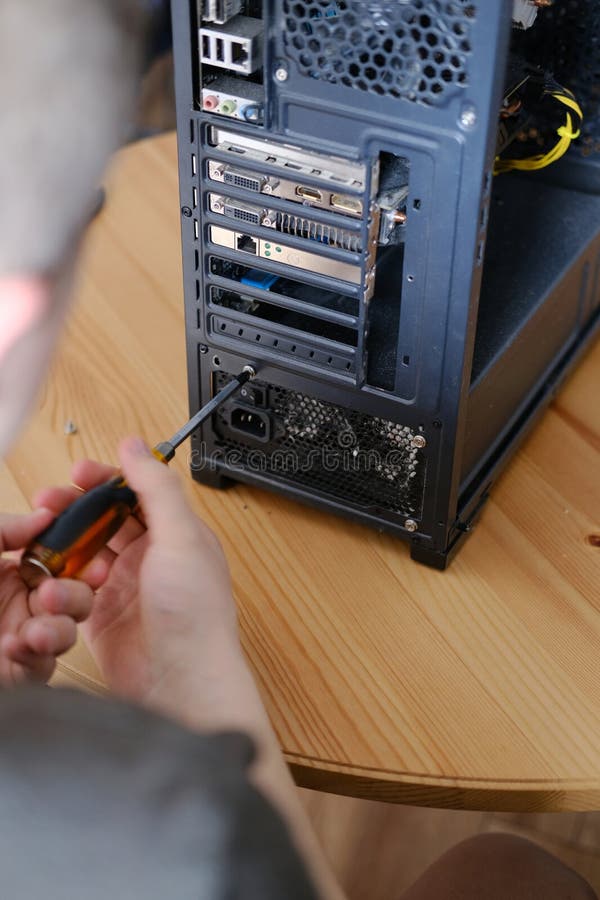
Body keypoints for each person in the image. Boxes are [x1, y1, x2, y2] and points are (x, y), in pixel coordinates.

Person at [0, 2, 596, 898]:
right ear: (24, 302)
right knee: (515, 871)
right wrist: (196, 705)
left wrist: (189, 677)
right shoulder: (149, 832)